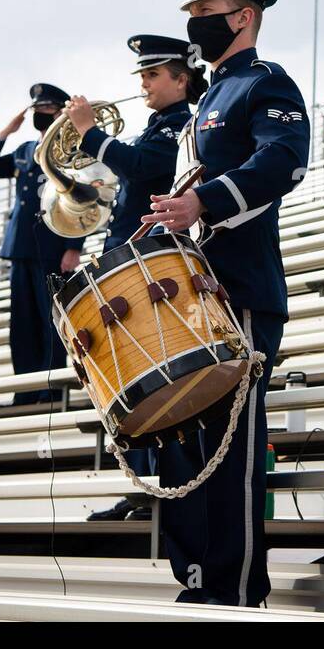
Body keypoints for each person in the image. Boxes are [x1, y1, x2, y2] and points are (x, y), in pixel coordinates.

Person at [139, 0, 309, 607]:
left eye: (204, 13)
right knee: (194, 447)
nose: (194, 24)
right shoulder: (207, 97)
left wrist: (206, 202)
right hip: (196, 296)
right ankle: (204, 579)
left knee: (231, 452)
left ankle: (237, 589)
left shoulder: (264, 81)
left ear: (242, 16)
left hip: (242, 292)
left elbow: (284, 160)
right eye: (190, 13)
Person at [72, 34, 205, 521]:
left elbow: (144, 166)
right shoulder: (157, 124)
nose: (144, 84)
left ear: (181, 80)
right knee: (130, 377)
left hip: (150, 265)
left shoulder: (179, 126)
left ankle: (159, 489)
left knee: (154, 376)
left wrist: (90, 132)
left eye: (152, 75)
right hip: (127, 259)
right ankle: (143, 486)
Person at [0, 83, 85, 405]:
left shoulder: (72, 150)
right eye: (37, 110)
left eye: (47, 110)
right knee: (22, 327)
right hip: (21, 248)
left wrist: (74, 245)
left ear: (61, 112)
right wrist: (4, 133)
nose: (40, 115)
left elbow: (83, 201)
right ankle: (25, 393)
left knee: (50, 322)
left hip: (53, 247)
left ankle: (50, 391)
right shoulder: (24, 150)